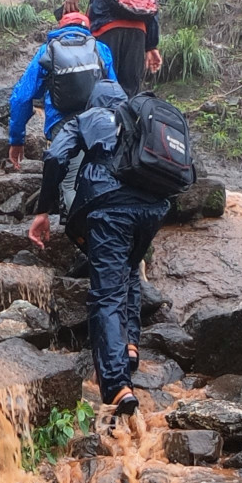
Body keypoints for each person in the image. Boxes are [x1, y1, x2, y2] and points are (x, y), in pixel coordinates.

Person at [28, 72, 171, 423]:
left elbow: (56, 158)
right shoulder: (142, 119)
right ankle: (130, 344)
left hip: (110, 208)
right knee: (128, 269)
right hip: (153, 209)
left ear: (94, 101)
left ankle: (117, 385)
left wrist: (43, 209)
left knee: (106, 293)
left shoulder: (87, 119)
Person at [6, 10, 117, 166]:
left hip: (62, 123)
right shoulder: (100, 49)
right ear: (87, 29)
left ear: (61, 28)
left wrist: (17, 140)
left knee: (67, 179)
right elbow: (114, 93)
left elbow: (22, 97)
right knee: (100, 175)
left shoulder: (48, 50)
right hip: (97, 122)